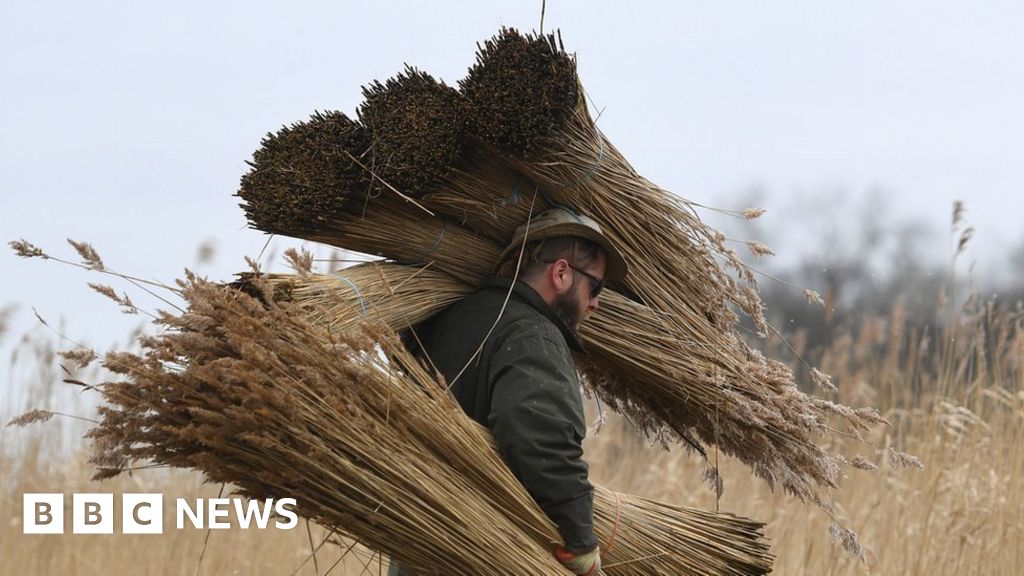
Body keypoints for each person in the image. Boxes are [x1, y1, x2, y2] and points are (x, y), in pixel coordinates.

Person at [391, 207, 627, 576]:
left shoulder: (448, 316)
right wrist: (581, 540)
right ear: (561, 273)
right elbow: (539, 440)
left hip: (420, 546)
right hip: (477, 554)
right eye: (595, 287)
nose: (595, 302)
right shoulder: (532, 334)